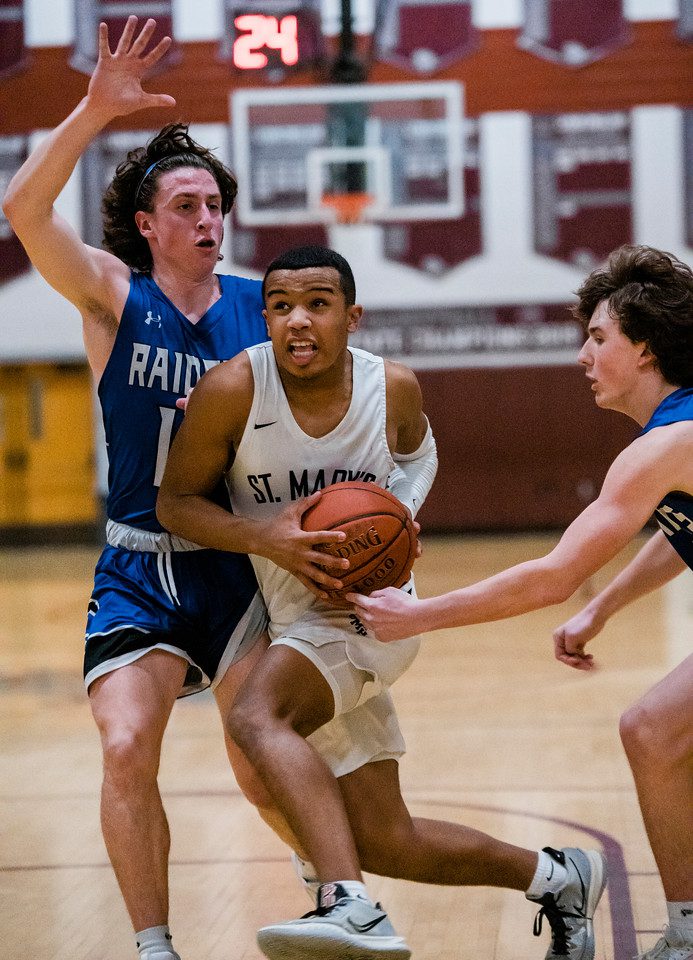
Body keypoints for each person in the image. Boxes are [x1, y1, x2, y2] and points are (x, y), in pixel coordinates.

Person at [157, 243, 607, 960]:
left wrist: (398, 518)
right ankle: (557, 878)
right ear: (265, 318)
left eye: (317, 304)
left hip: (372, 615)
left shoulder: (391, 387)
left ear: (352, 315)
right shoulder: (233, 390)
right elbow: (176, 503)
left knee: (256, 715)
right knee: (386, 839)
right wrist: (266, 538)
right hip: (288, 616)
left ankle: (348, 904)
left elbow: (417, 456)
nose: (297, 320)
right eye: (280, 306)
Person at [1, 17, 321, 960]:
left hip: (241, 564)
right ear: (147, 225)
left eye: (216, 204)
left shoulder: (266, 307)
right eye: (186, 205)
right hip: (141, 565)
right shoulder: (113, 293)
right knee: (124, 746)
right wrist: (94, 110)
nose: (208, 219)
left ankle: (328, 887)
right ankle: (154, 947)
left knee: (261, 758)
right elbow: (23, 208)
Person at [348, 244, 693, 960]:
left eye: (597, 337)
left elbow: (552, 576)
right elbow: (680, 534)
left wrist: (418, 615)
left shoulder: (664, 446)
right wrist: (603, 608)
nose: (581, 355)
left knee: (654, 732)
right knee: (653, 731)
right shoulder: (673, 442)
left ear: (645, 349)